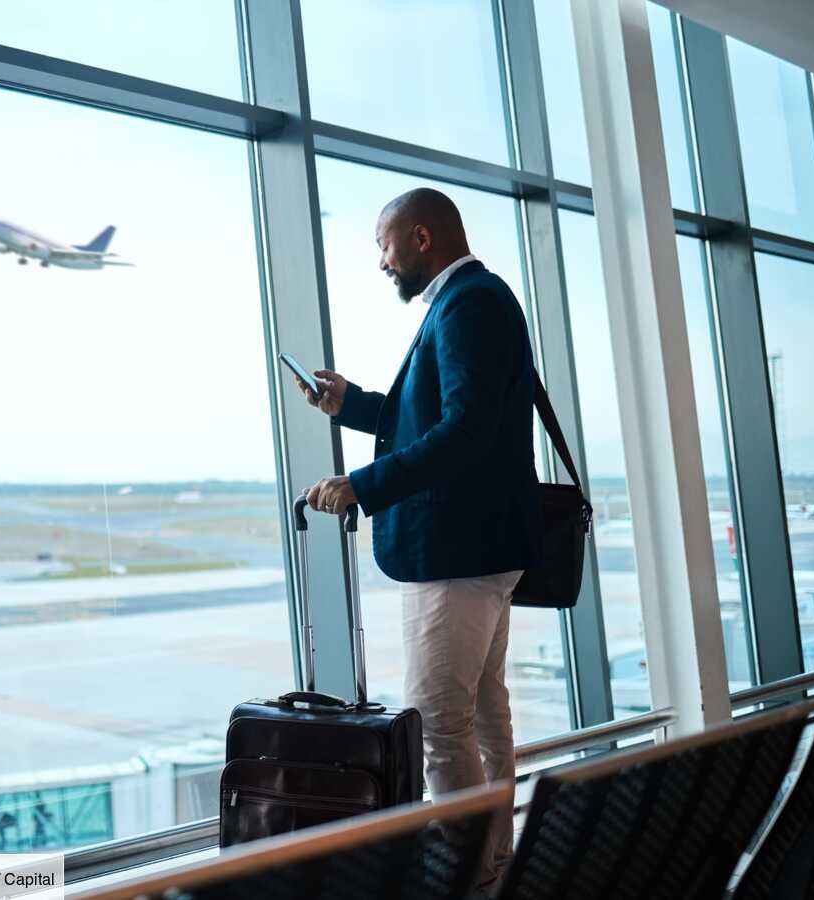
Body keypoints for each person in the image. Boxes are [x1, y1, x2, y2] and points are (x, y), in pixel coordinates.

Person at [295, 187, 541, 889]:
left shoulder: (468, 305)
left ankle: (467, 875)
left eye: (384, 243)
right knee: (484, 713)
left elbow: (464, 431)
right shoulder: (473, 301)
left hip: (458, 551)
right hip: (484, 547)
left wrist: (364, 484)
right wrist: (355, 405)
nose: (380, 261)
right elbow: (437, 415)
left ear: (423, 239)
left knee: (440, 722)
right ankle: (494, 861)